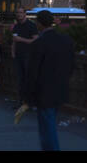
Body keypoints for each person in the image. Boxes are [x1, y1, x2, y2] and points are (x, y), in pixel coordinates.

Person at [27, 10, 75, 150]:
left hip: (44, 90)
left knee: (46, 126)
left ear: (39, 24)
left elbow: (33, 72)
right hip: (60, 87)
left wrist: (28, 94)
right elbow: (72, 64)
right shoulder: (66, 40)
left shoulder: (39, 43)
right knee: (50, 121)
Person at [11, 9, 39, 122]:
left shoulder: (31, 26)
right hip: (18, 56)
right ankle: (20, 101)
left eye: (21, 13)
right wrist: (13, 51)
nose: (19, 14)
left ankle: (29, 102)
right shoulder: (16, 26)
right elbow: (14, 40)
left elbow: (35, 40)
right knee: (19, 79)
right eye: (17, 13)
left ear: (25, 14)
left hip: (28, 56)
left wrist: (21, 40)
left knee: (28, 79)